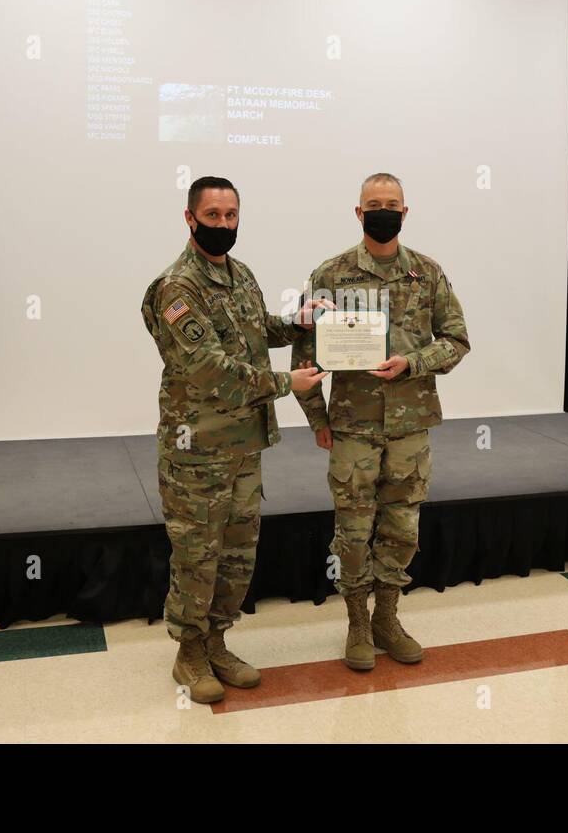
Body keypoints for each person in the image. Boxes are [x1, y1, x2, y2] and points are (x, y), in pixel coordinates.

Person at [140, 176, 328, 704]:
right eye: (213, 215)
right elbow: (206, 369)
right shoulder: (176, 288)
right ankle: (189, 653)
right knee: (197, 556)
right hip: (197, 450)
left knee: (237, 556)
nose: (223, 224)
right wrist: (283, 384)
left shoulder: (240, 274)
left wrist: (295, 323)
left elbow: (252, 333)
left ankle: (218, 642)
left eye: (231, 215)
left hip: (244, 447)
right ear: (190, 217)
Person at [292, 172, 469, 670]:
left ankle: (387, 618)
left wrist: (411, 362)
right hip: (352, 425)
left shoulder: (428, 274)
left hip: (411, 425)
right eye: (374, 203)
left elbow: (456, 340)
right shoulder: (331, 273)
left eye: (391, 203)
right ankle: (356, 623)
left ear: (405, 212)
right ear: (358, 212)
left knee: (401, 527)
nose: (383, 210)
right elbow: (306, 353)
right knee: (352, 531)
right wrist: (316, 419)